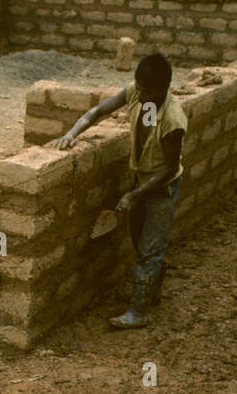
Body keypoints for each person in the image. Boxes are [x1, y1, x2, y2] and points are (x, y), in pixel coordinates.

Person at [55, 52, 188, 328]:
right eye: (137, 88)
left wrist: (134, 195)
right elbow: (98, 112)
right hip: (141, 181)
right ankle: (152, 289)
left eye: (147, 92)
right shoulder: (136, 93)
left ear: (162, 90)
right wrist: (72, 133)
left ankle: (139, 312)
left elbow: (169, 169)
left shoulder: (173, 120)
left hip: (160, 188)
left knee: (150, 248)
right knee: (141, 240)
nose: (140, 96)